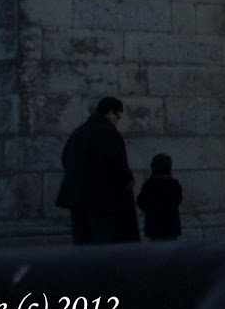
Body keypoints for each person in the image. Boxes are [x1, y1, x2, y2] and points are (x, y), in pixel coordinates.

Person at [55, 95, 139, 244]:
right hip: (102, 200)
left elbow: (66, 158)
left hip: (77, 198)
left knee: (82, 243)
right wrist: (127, 180)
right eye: (117, 117)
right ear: (110, 113)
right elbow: (115, 165)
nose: (117, 121)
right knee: (103, 242)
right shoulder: (108, 133)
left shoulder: (79, 132)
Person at [136, 152, 184, 240]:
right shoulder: (173, 184)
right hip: (171, 226)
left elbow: (141, 202)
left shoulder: (149, 185)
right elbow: (178, 200)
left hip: (154, 225)